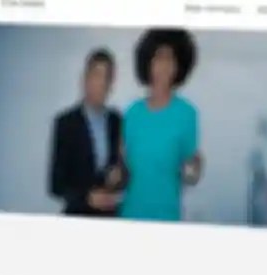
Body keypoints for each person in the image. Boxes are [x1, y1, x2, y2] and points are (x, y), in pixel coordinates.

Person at [120, 29, 201, 222]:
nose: (163, 65)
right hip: (129, 213)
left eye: (170, 59)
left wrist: (196, 167)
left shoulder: (187, 114)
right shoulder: (132, 113)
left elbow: (191, 175)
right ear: (147, 63)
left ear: (179, 65)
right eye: (158, 58)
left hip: (166, 216)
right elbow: (122, 169)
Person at [49, 50, 124, 216]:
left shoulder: (117, 121)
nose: (102, 83)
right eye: (97, 75)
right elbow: (56, 185)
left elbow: (124, 170)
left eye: (107, 78)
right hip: (77, 217)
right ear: (84, 79)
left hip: (111, 218)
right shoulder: (65, 123)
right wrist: (87, 198)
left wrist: (120, 177)